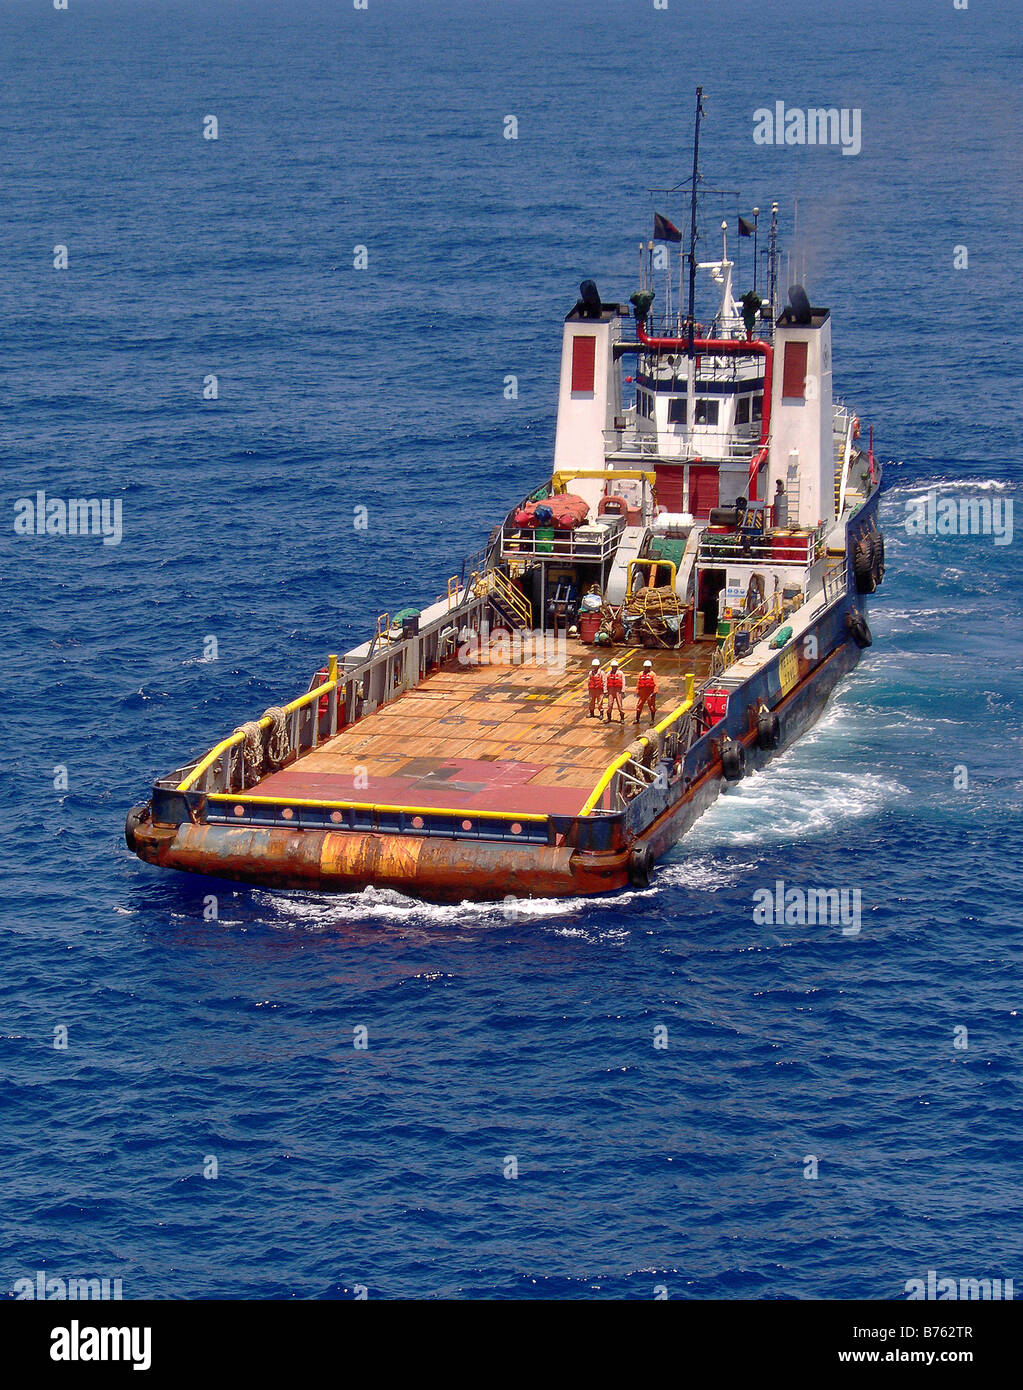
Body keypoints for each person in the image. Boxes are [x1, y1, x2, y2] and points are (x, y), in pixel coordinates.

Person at [635, 659, 658, 724]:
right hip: (642, 693)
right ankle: (637, 719)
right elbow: (638, 683)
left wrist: (654, 692)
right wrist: (637, 691)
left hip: (650, 693)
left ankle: (652, 720)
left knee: (652, 706)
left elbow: (656, 684)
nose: (646, 668)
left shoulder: (652, 674)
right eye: (645, 667)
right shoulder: (640, 674)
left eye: (647, 667)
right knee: (639, 705)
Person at [605, 659, 625, 723]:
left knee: (619, 705)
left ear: (617, 667)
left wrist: (623, 691)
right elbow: (605, 682)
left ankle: (622, 718)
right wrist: (605, 691)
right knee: (610, 704)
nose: (613, 668)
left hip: (618, 691)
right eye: (612, 666)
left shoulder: (620, 673)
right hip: (611, 690)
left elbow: (623, 682)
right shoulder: (608, 673)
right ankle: (609, 718)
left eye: (615, 666)